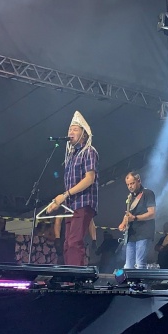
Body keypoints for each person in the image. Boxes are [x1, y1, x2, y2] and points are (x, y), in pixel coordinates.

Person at [45, 110, 98, 266]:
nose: (71, 132)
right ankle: (71, 277)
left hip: (83, 202)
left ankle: (75, 279)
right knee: (68, 243)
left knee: (74, 242)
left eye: (75, 129)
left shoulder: (89, 151)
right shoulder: (71, 155)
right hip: (70, 205)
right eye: (70, 129)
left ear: (84, 134)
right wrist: (57, 202)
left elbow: (89, 178)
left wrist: (65, 194)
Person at [118, 171, 156, 269]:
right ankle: (130, 284)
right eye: (128, 185)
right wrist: (123, 223)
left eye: (132, 183)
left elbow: (152, 213)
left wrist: (135, 218)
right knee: (128, 265)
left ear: (139, 181)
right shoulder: (130, 197)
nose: (130, 186)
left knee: (140, 263)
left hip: (144, 233)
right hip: (132, 235)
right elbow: (128, 214)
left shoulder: (148, 193)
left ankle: (141, 284)